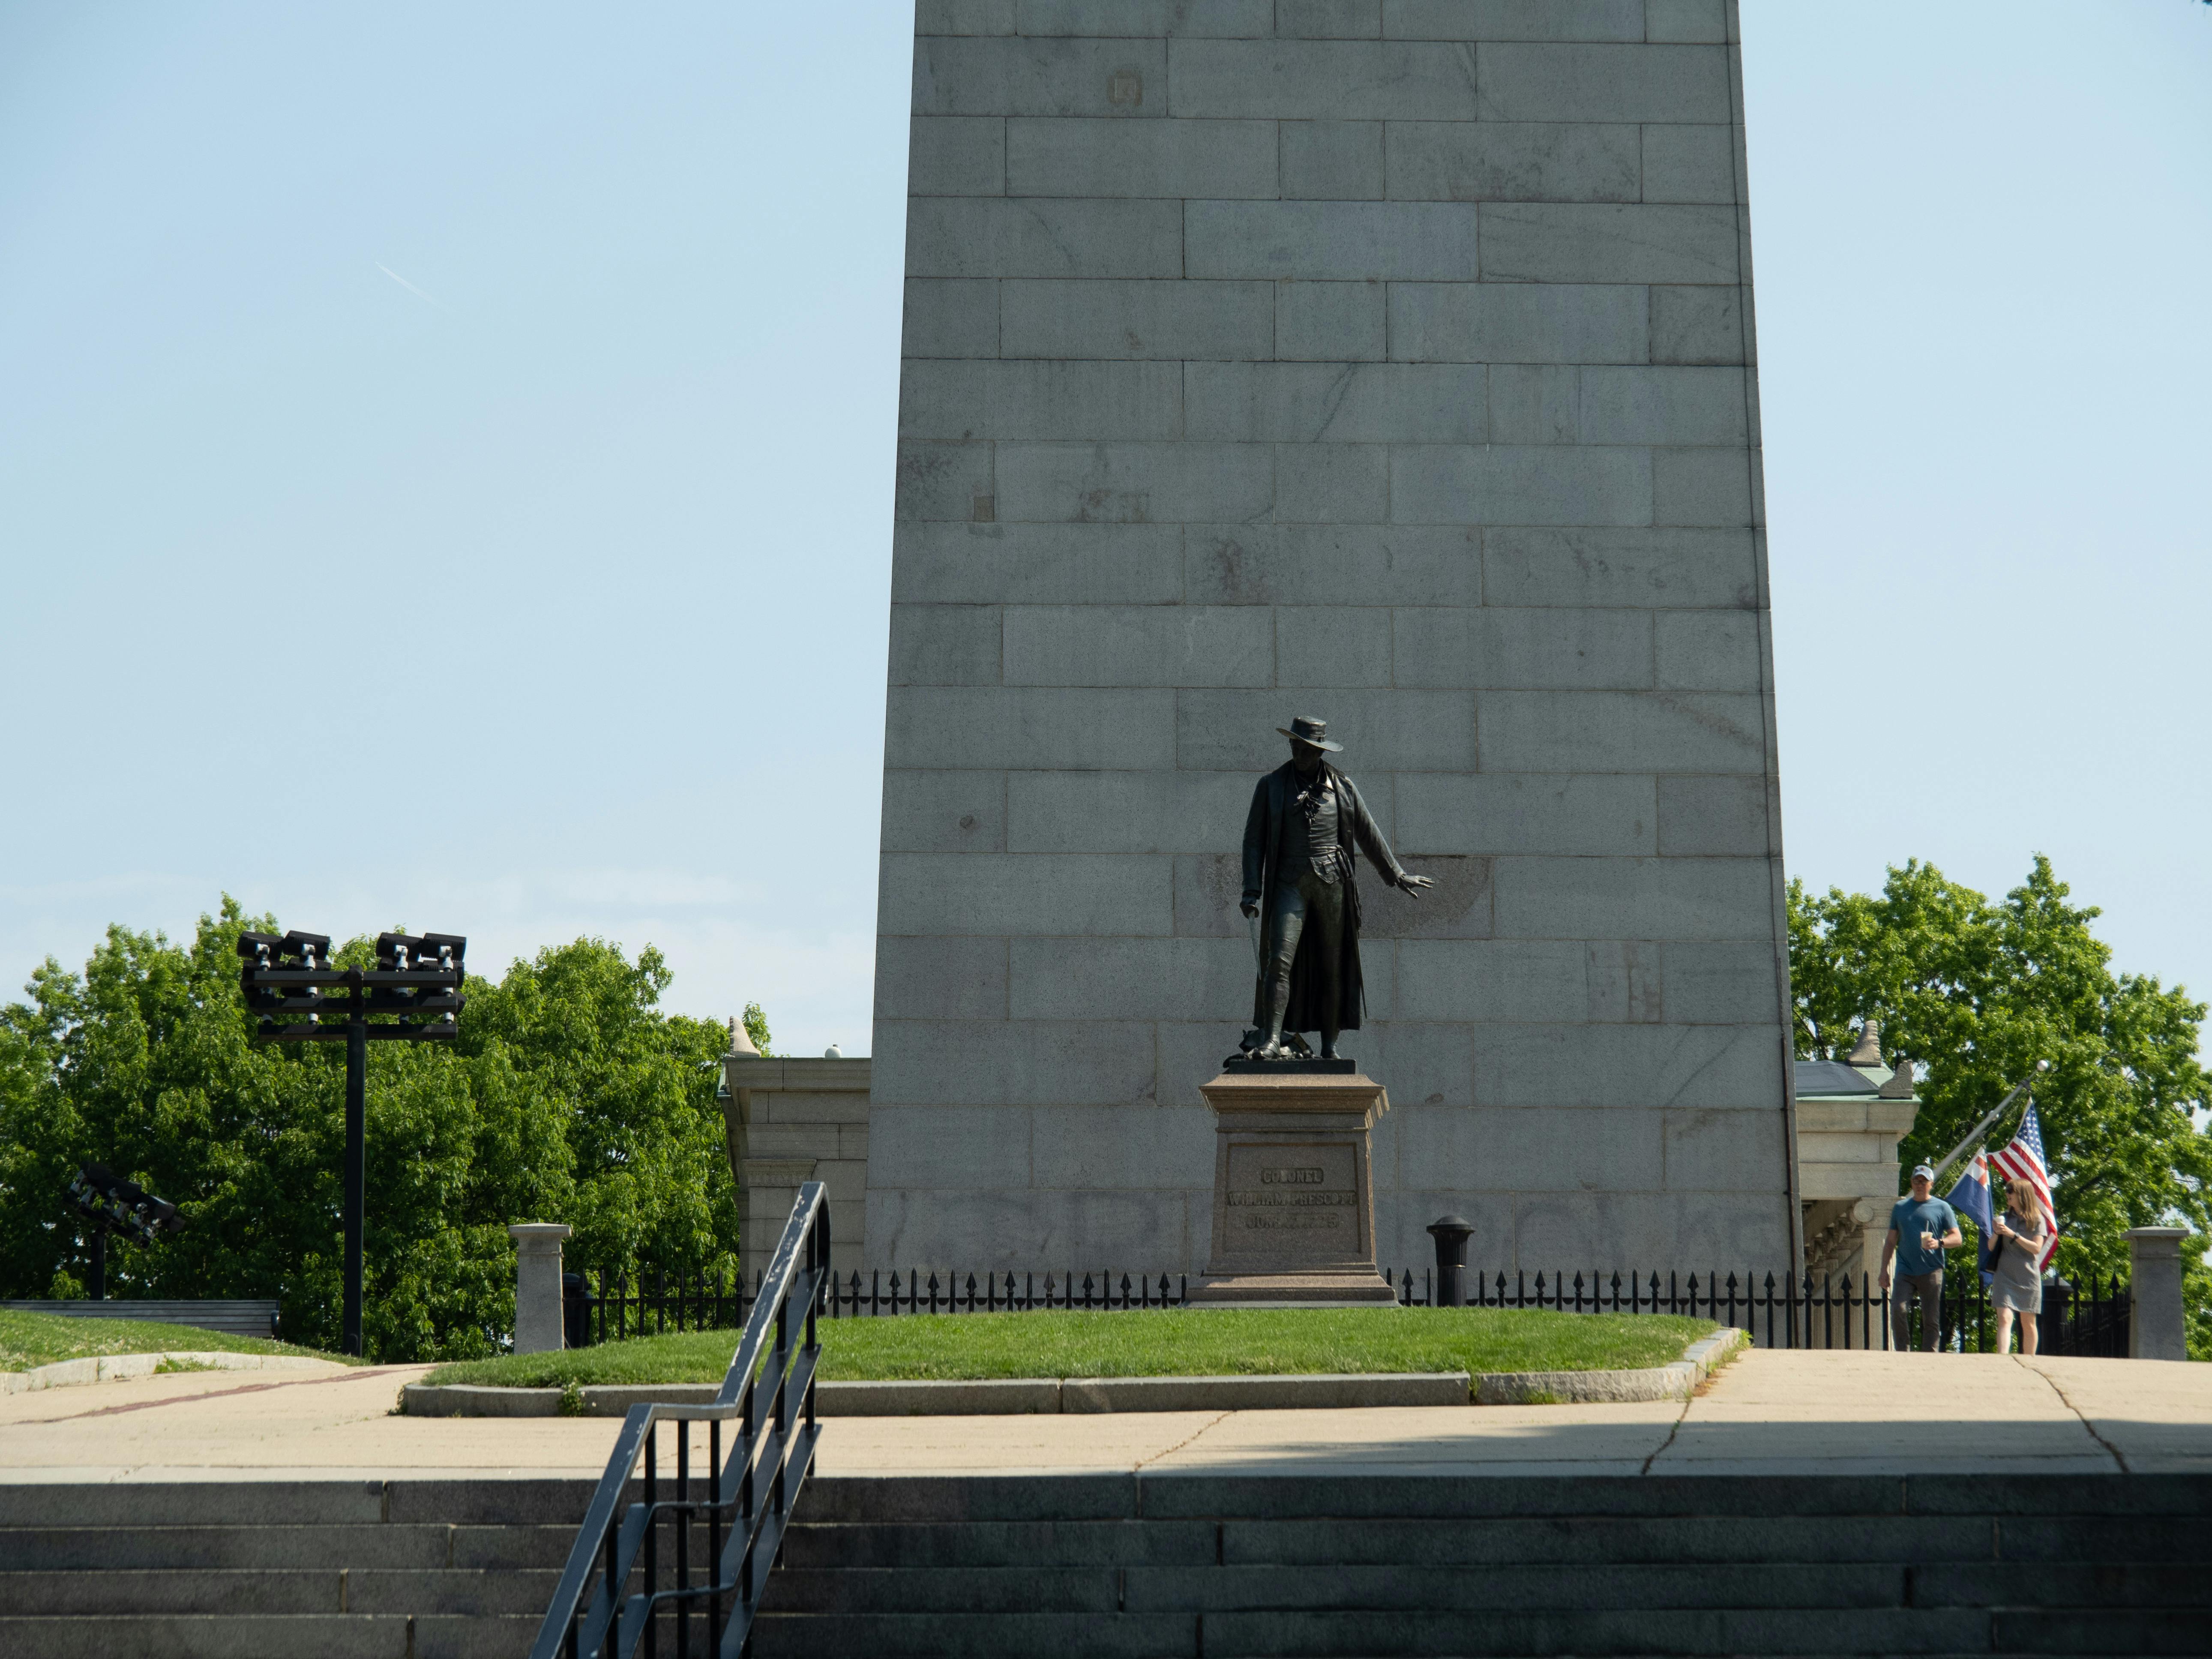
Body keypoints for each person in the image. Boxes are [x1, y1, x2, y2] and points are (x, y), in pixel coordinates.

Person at [1238, 717, 1431, 1060]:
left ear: (1319, 750)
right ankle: (1271, 1039)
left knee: (1333, 965)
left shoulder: (1342, 787)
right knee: (1277, 962)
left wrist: (1397, 874)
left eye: (1305, 748)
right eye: (1294, 746)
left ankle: (1330, 1045)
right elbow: (1254, 841)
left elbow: (1368, 832)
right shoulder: (1271, 786)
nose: (1298, 753)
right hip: (1289, 883)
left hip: (1333, 884)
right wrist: (1251, 890)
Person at [1879, 1162, 1963, 1352]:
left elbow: (1957, 1238)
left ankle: (1929, 1356)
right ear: (1911, 1183)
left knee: (1931, 1319)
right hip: (1905, 1269)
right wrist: (1883, 1270)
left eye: (1924, 1181)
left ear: (1931, 1184)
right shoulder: (1900, 1208)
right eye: (1917, 1181)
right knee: (1898, 1310)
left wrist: (1939, 1243)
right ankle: (1903, 1351)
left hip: (1932, 1269)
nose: (1919, 1185)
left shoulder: (1942, 1208)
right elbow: (1891, 1241)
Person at [1988, 1181, 2049, 1356]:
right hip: (2004, 1275)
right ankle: (2002, 1358)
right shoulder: (2004, 1217)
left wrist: (2013, 1235)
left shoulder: (2037, 1220)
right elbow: (1991, 1247)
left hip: (2027, 1276)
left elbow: (2036, 1248)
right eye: (2007, 1191)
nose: (2007, 1194)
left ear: (2023, 1195)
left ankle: (2029, 1361)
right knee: (2004, 1318)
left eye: (2011, 1191)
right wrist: (1997, 1232)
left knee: (2028, 1321)